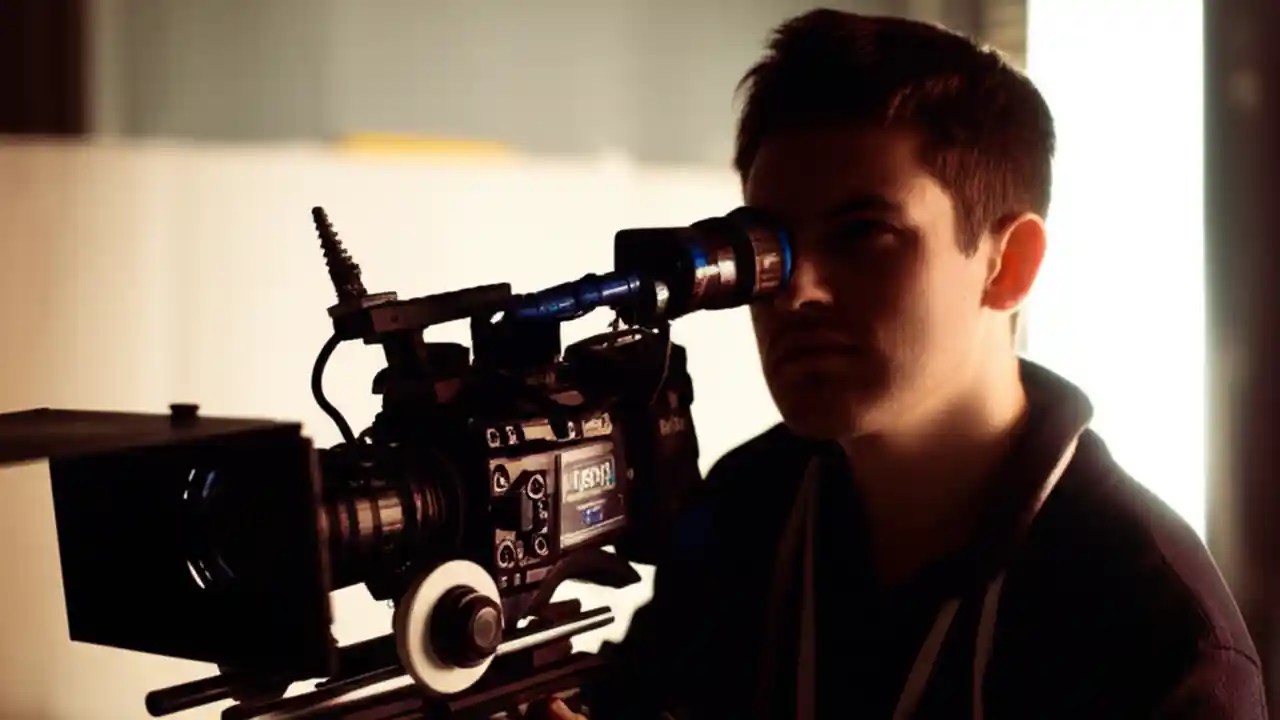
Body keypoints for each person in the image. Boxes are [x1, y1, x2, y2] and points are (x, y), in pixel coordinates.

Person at [535, 9, 1265, 719]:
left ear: (1008, 265)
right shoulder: (748, 507)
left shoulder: (1150, 629)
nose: (797, 291)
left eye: (866, 235)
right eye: (770, 248)